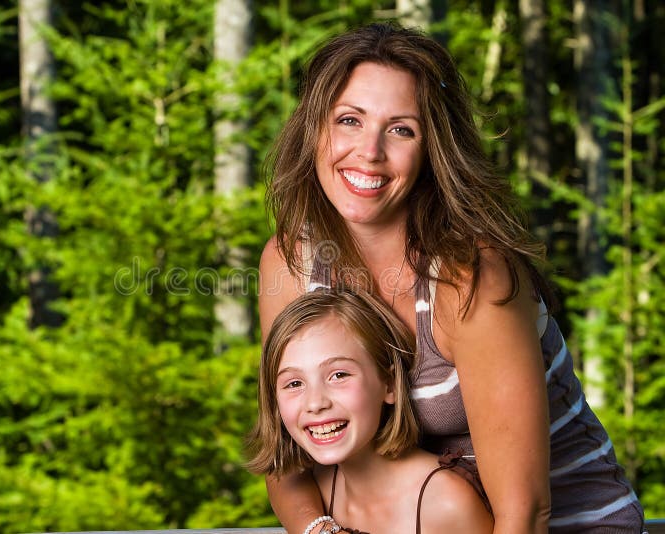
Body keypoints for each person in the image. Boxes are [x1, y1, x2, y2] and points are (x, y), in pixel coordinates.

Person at [257, 21, 644, 534]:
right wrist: (318, 530)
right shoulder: (292, 263)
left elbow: (524, 514)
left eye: (401, 129)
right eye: (349, 120)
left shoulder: (470, 275)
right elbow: (285, 451)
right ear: (314, 131)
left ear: (430, 150)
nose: (369, 151)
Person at [248, 287, 494, 533]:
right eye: (294, 383)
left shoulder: (447, 503)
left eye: (339, 375)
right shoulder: (314, 487)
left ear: (389, 384)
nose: (315, 403)